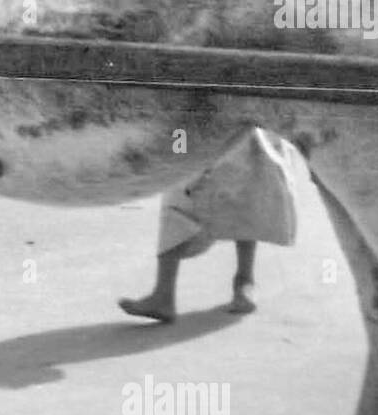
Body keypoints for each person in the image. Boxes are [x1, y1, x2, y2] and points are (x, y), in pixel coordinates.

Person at [119, 129, 298, 324]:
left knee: (182, 190)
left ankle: (165, 293)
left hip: (204, 121)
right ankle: (243, 284)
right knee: (246, 189)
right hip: (219, 123)